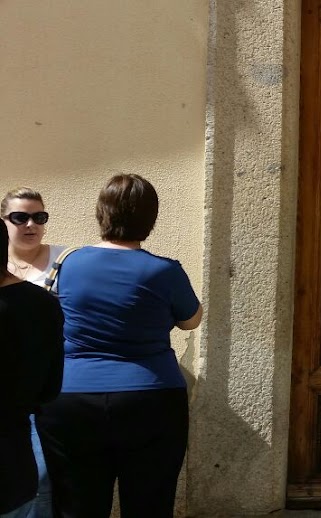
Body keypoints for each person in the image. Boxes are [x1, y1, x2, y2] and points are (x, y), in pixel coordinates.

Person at [35, 174, 202, 517]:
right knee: (150, 504)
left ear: (102, 214)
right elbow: (191, 320)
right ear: (151, 219)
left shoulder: (67, 263)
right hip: (151, 397)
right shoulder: (164, 271)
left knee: (77, 506)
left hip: (71, 398)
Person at [2, 188, 65, 518]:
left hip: (45, 389)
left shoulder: (66, 260)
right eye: (20, 217)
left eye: (39, 217)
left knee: (40, 480)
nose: (31, 224)